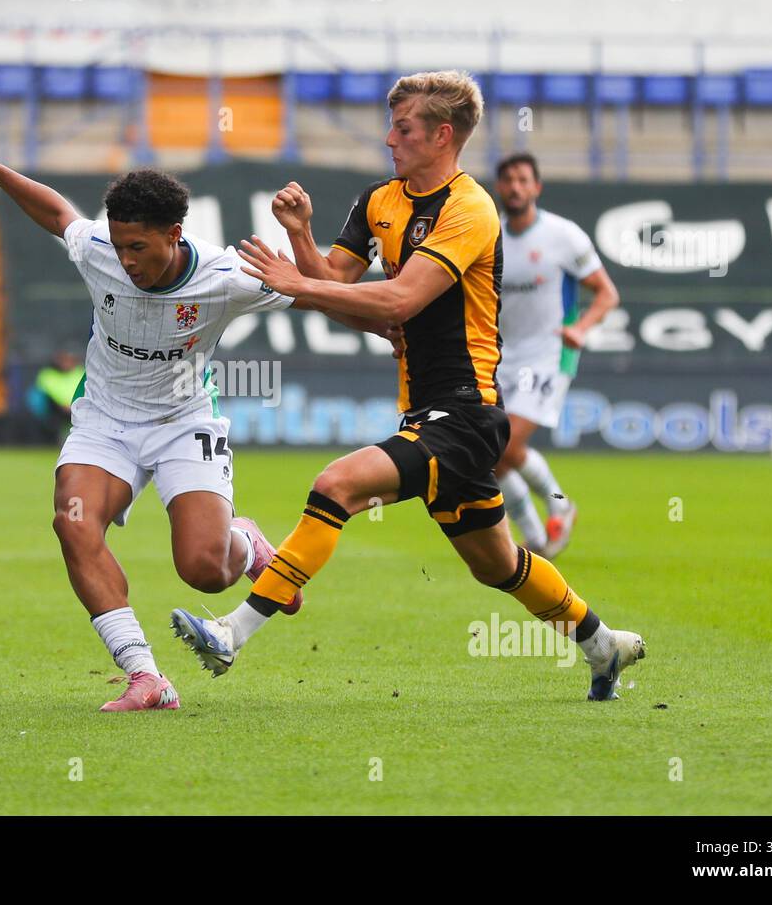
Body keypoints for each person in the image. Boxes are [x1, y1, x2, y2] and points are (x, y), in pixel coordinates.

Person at [170, 71, 646, 702]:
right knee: (497, 566)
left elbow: (397, 299)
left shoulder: (469, 207)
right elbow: (340, 293)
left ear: (442, 134)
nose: (389, 138)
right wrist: (302, 240)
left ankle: (232, 633)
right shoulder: (379, 200)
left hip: (466, 412)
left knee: (336, 485)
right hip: (428, 414)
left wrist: (297, 283)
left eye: (403, 127)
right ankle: (601, 643)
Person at [0, 134, 397, 711]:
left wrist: (393, 327)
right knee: (73, 522)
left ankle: (244, 541)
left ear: (174, 235)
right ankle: (145, 676)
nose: (126, 260)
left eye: (139, 247)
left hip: (185, 421)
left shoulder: (226, 276)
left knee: (205, 571)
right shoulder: (98, 249)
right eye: (119, 245)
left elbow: (323, 296)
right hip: (104, 421)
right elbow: (56, 211)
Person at [492, 152, 619, 558]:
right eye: (508, 179)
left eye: (523, 179)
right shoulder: (488, 236)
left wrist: (581, 328)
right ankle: (535, 538)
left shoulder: (563, 236)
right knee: (485, 455)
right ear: (499, 187)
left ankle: (561, 506)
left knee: (506, 448)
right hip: (499, 358)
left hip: (549, 356)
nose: (515, 186)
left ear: (536, 187)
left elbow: (606, 293)